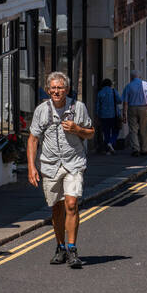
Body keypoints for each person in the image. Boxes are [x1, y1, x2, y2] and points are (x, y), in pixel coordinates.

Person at [28, 71, 95, 268]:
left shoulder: (78, 108)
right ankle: (60, 247)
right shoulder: (41, 110)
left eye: (60, 88)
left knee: (72, 204)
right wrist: (31, 167)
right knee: (56, 208)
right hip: (49, 165)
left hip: (73, 162)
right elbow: (32, 139)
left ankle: (72, 249)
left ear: (66, 89)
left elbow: (90, 133)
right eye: (53, 88)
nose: (57, 91)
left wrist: (77, 129)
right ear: (48, 90)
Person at [122, 70, 147, 156]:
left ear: (131, 77)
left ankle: (136, 149)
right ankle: (144, 149)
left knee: (133, 130)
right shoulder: (146, 84)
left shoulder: (128, 86)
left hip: (132, 108)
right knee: (144, 129)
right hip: (144, 108)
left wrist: (124, 114)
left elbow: (125, 102)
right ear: (139, 76)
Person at [95, 77, 121, 154]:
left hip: (103, 115)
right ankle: (111, 143)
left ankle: (108, 149)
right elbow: (119, 101)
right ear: (110, 84)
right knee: (115, 131)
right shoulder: (113, 91)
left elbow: (98, 106)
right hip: (113, 115)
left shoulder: (100, 93)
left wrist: (97, 115)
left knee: (106, 132)